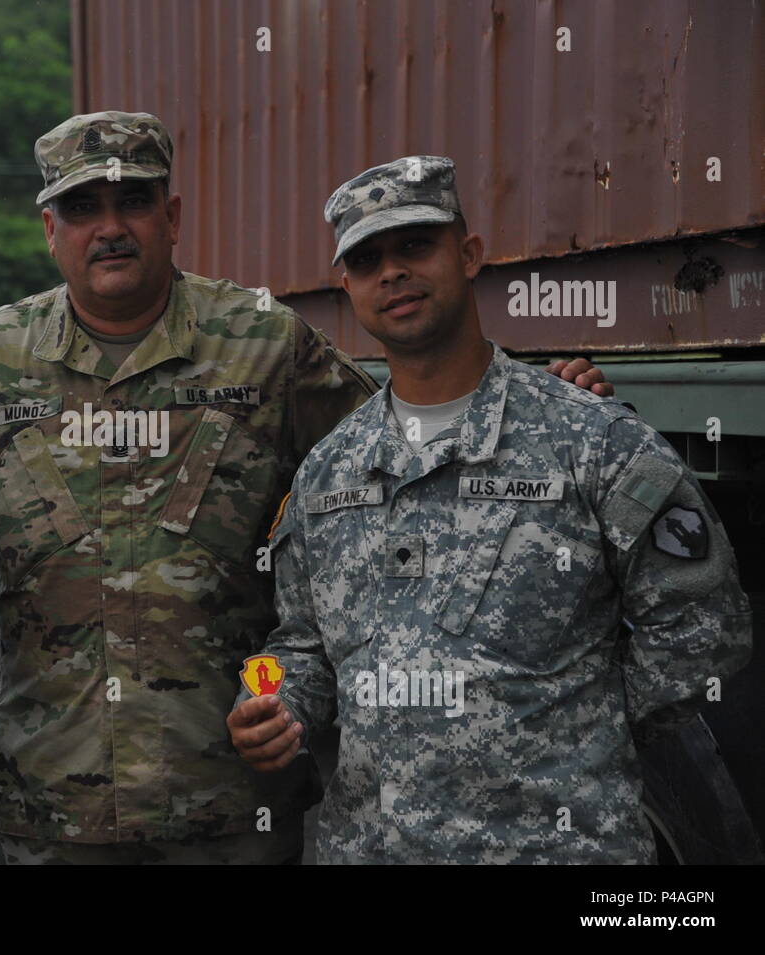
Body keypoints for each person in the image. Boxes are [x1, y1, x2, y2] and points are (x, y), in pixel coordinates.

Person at [0, 120, 612, 864]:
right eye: (82, 207)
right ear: (50, 229)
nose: (109, 224)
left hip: (234, 793)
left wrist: (533, 401)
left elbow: (402, 440)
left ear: (173, 214)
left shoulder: (263, 343)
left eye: (134, 199)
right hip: (54, 801)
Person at [227, 155, 753, 863]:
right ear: (346, 284)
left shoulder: (589, 438)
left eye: (415, 244)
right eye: (367, 257)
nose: (393, 271)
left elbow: (701, 630)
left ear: (468, 254)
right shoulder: (329, 470)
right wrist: (277, 705)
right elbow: (304, 644)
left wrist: (571, 725)